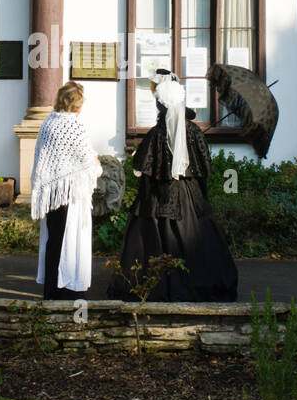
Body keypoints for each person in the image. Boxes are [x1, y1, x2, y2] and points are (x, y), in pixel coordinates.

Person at [108, 71, 238, 302]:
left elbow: (144, 172)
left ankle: (156, 284)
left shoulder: (156, 135)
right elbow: (202, 172)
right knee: (195, 235)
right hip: (189, 197)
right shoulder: (194, 131)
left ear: (161, 104)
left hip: (160, 198)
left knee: (155, 239)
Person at [31, 80, 102, 300]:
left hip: (52, 192)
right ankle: (68, 288)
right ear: (77, 105)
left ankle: (51, 289)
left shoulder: (48, 122)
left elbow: (42, 157)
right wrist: (96, 164)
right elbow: (85, 159)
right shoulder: (74, 125)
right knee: (70, 240)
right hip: (70, 192)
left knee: (54, 239)